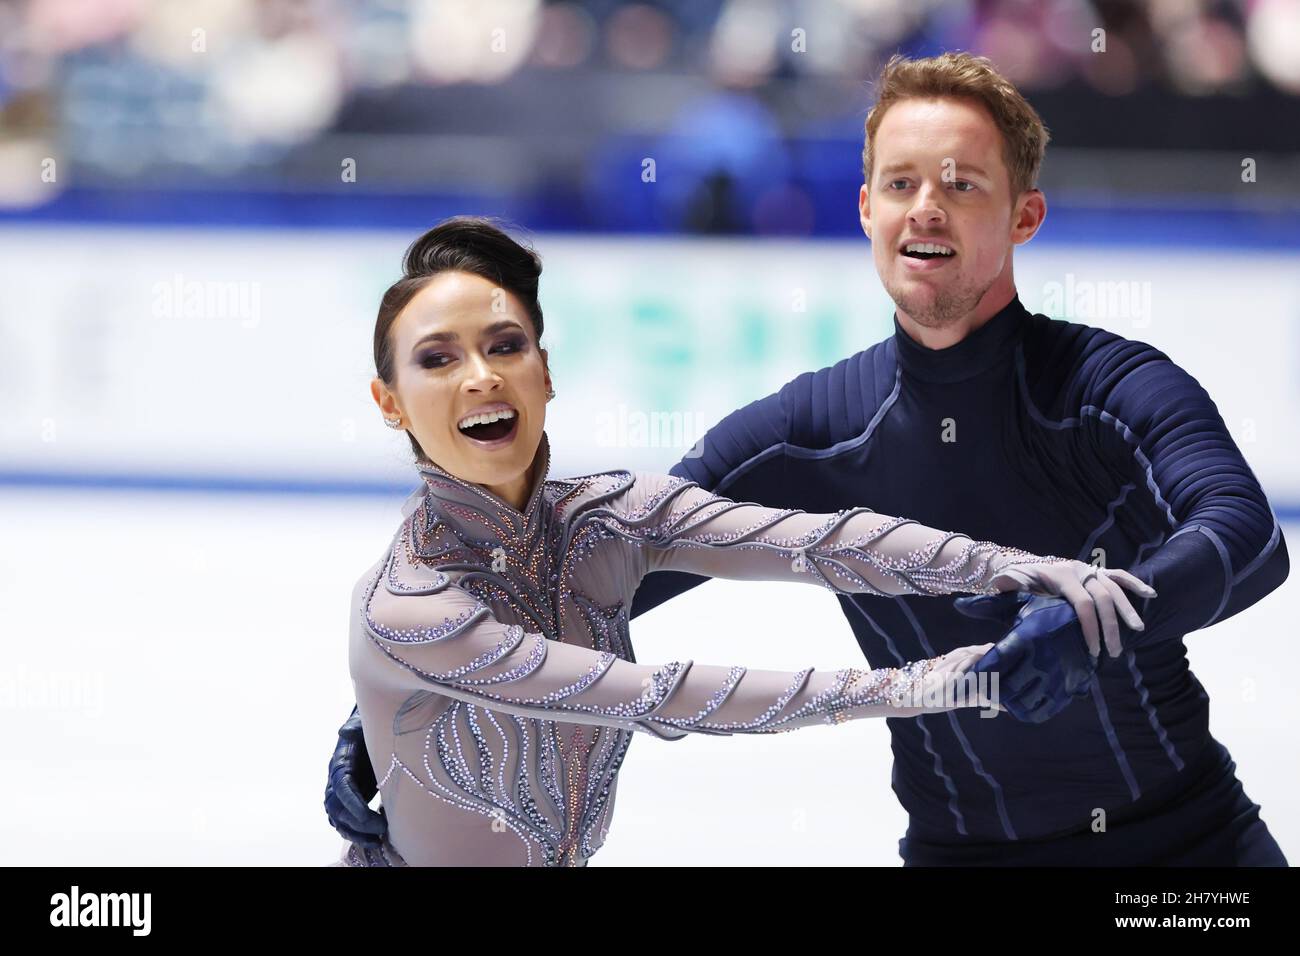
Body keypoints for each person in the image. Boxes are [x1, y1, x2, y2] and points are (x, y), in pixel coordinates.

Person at [328, 52, 1289, 867]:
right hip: (958, 852)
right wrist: (396, 715)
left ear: (1025, 216)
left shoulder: (1107, 388)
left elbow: (1247, 539)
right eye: (903, 183)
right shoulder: (815, 426)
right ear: (866, 207)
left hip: (1188, 854)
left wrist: (1092, 630)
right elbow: (601, 562)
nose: (929, 210)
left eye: (964, 184)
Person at [327, 215, 1148, 867]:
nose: (481, 376)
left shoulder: (606, 516)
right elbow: (658, 694)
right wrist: (941, 683)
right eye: (437, 359)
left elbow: (822, 542)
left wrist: (1017, 565)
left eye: (505, 346)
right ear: (389, 401)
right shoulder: (410, 605)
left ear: (545, 370)